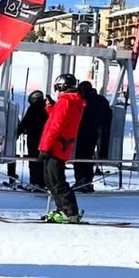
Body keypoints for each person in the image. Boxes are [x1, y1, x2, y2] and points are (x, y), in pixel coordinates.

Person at [38, 74, 86, 222]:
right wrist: (52, 107)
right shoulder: (71, 101)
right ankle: (62, 209)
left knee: (56, 181)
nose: (57, 91)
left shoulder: (66, 102)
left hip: (56, 146)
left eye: (58, 88)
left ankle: (70, 212)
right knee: (51, 180)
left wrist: (45, 147)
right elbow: (60, 119)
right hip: (60, 145)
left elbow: (55, 126)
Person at [73, 81, 113, 191]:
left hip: (81, 132)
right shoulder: (101, 101)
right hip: (95, 132)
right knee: (88, 157)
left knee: (79, 157)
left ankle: (80, 180)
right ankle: (88, 181)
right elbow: (108, 117)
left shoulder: (82, 100)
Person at [17, 91, 49, 189]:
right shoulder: (47, 108)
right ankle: (43, 183)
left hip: (34, 138)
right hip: (45, 139)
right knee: (43, 161)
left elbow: (25, 121)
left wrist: (17, 133)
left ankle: (35, 183)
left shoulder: (33, 108)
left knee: (33, 160)